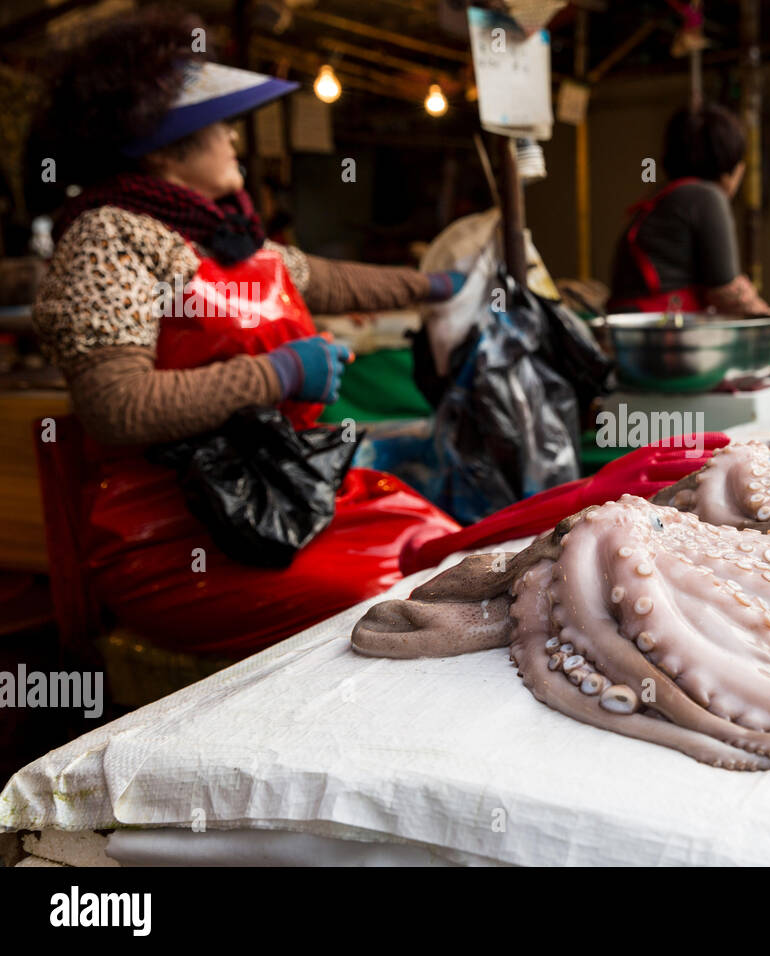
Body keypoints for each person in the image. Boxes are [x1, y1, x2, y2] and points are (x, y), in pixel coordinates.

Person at [31, 10, 461, 658]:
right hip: (179, 537)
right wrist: (279, 374)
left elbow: (329, 281)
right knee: (389, 601)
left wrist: (437, 285)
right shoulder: (107, 237)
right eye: (220, 125)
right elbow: (115, 406)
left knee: (446, 550)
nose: (235, 136)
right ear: (165, 149)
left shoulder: (221, 237)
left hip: (288, 498)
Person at [608, 103, 770, 315]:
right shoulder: (707, 196)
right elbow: (726, 289)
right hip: (663, 331)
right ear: (731, 166)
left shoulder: (666, 196)